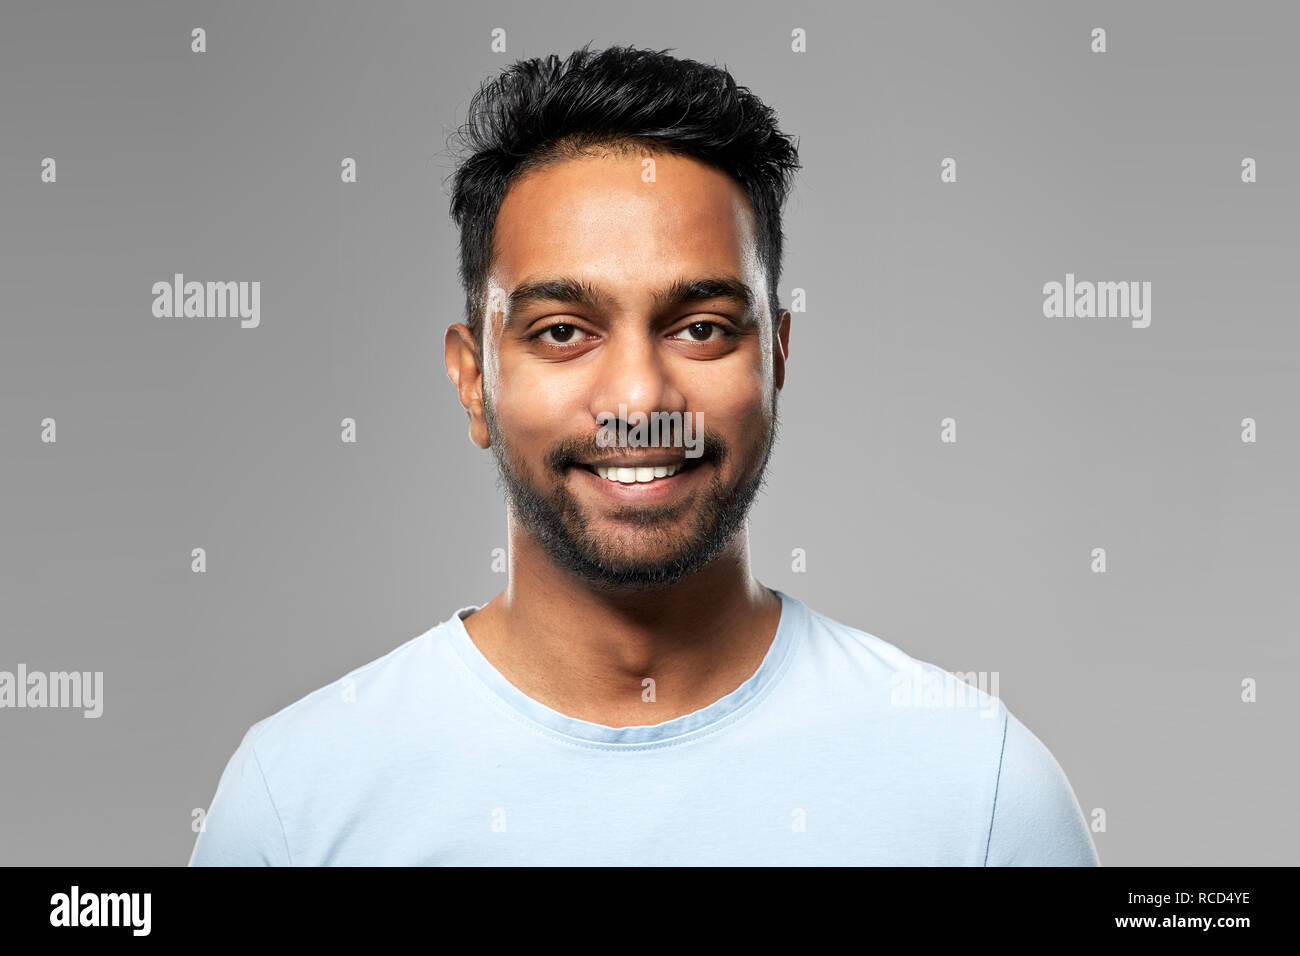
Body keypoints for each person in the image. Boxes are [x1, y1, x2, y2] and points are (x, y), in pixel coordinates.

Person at [190, 43, 1099, 866]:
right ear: (474, 381)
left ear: (777, 359)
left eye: (700, 328)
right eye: (562, 331)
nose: (639, 402)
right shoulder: (295, 804)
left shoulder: (979, 791)